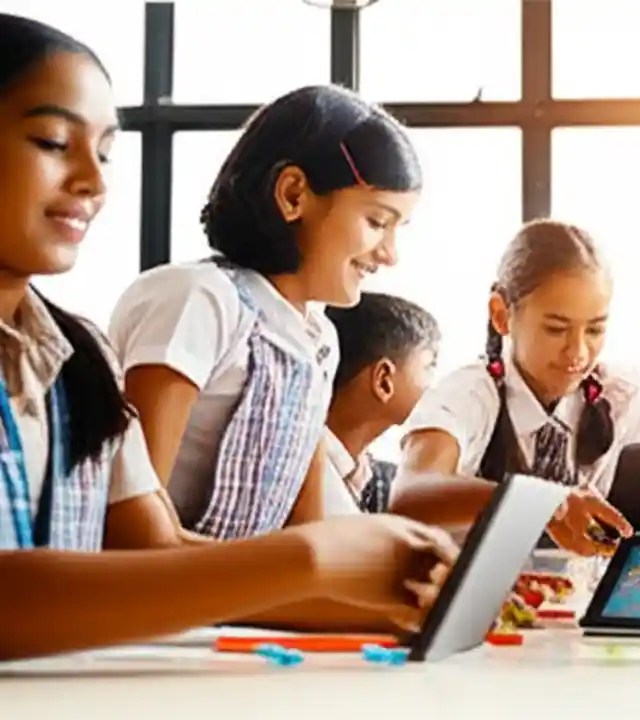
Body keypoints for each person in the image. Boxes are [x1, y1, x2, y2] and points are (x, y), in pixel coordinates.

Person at [0, 12, 453, 660]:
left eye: (103, 153)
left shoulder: (82, 360)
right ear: (292, 193)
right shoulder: (202, 301)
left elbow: (153, 546)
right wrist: (312, 560)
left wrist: (385, 599)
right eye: (50, 141)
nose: (95, 184)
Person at [109, 84, 422, 539]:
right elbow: (132, 535)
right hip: (154, 601)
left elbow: (307, 534)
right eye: (377, 221)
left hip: (236, 603)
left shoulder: (316, 341)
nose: (390, 254)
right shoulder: (198, 298)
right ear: (293, 195)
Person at [395, 220, 640, 554]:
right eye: (556, 329)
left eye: (595, 330)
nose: (578, 353)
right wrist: (545, 503)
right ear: (501, 315)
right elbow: (410, 494)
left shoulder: (623, 396)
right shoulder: (470, 395)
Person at [324, 292, 439, 515]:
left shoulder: (379, 481)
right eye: (429, 366)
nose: (434, 386)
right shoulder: (297, 470)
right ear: (384, 381)